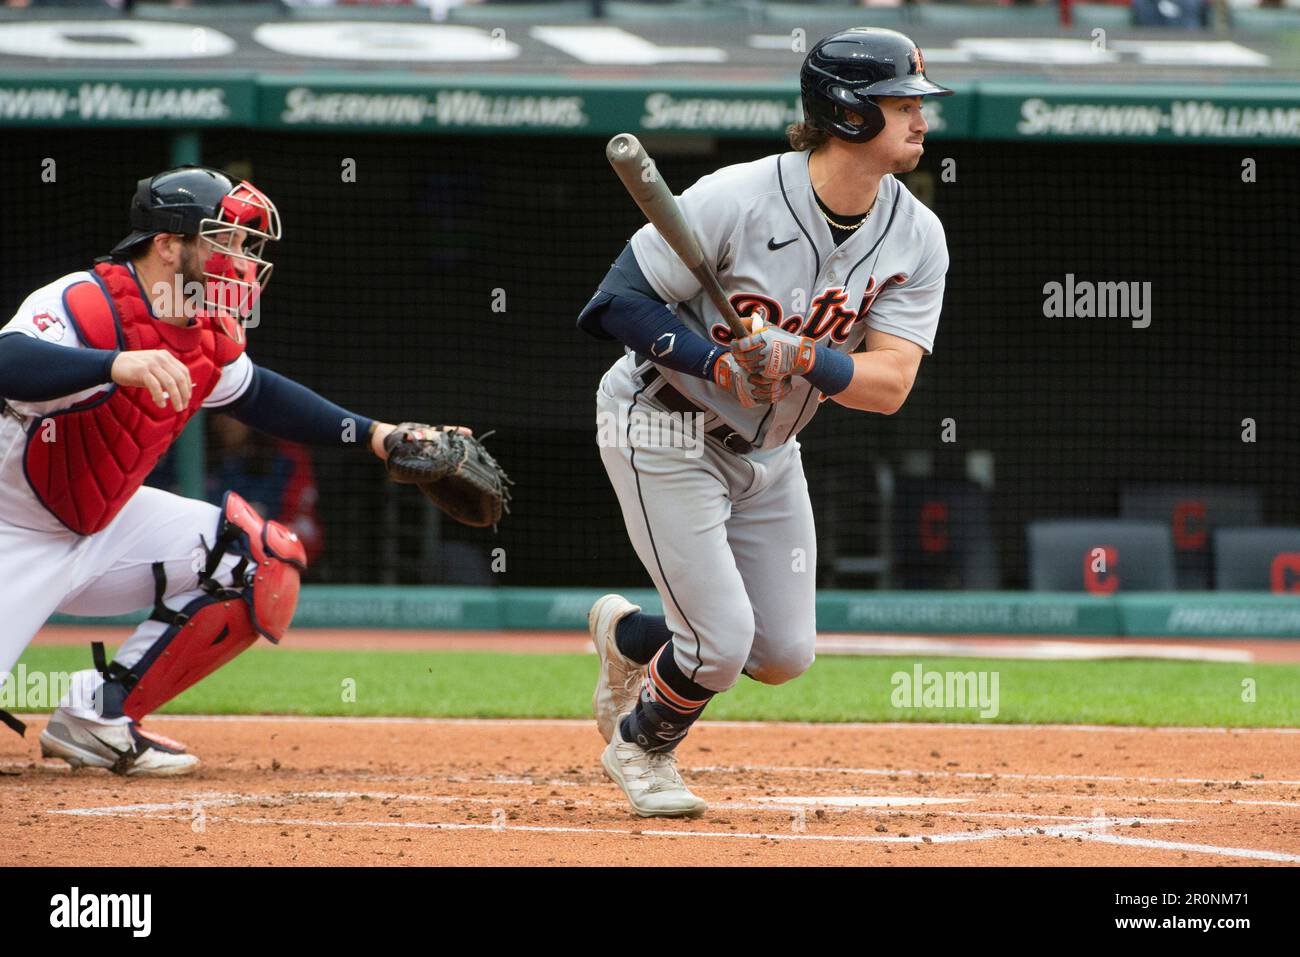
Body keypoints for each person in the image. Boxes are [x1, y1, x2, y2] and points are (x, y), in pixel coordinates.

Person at [579, 28, 952, 817]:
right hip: (662, 423)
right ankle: (642, 745)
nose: (922, 119)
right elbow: (613, 302)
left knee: (780, 654)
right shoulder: (736, 197)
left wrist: (805, 358)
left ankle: (629, 639)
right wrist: (714, 361)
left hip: (772, 449)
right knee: (719, 644)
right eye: (903, 103)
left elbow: (889, 386)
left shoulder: (916, 236)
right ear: (849, 114)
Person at [0, 165, 463, 776]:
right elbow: (7, 361)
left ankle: (98, 718)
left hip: (96, 525)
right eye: (225, 240)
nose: (241, 260)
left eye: (244, 245)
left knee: (254, 556)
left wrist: (377, 435)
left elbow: (258, 395)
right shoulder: (85, 301)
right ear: (167, 244)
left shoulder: (205, 333)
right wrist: (114, 364)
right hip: (13, 528)